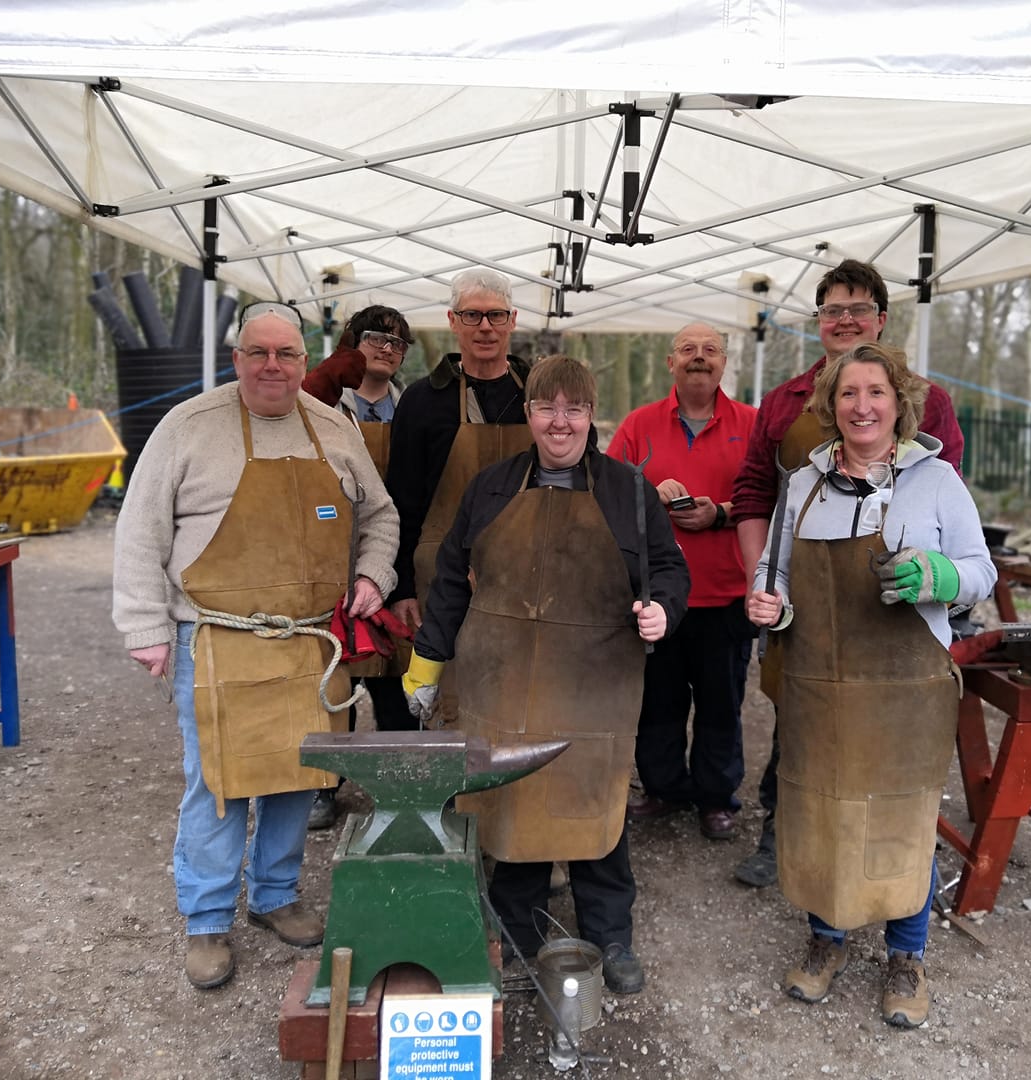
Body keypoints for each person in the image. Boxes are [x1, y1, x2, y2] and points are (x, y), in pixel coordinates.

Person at [112, 301, 399, 990]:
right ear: (236, 358)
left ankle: (275, 895)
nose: (273, 366)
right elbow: (138, 532)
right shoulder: (188, 427)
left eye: (287, 354)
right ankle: (207, 919)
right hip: (217, 640)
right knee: (218, 786)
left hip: (309, 642)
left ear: (308, 362)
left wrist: (372, 575)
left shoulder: (333, 427)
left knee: (299, 779)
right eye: (258, 352)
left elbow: (381, 516)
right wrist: (145, 628)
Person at [401, 355, 690, 995]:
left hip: (596, 688)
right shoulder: (490, 486)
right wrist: (425, 664)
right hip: (502, 682)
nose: (560, 422)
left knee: (597, 811)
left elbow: (670, 570)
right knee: (514, 810)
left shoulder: (629, 491)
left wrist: (661, 612)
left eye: (575, 408)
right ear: (528, 413)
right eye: (546, 407)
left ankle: (610, 935)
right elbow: (450, 582)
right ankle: (518, 935)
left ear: (591, 415)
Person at [746, 341, 995, 1029]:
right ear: (831, 405)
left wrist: (941, 576)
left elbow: (982, 571)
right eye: (849, 393)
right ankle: (826, 941)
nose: (862, 406)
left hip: (907, 689)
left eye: (875, 393)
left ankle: (905, 956)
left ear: (899, 405)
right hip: (821, 686)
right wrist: (770, 604)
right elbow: (776, 572)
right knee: (823, 810)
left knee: (902, 818)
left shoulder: (937, 480)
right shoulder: (804, 484)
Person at [730, 258, 965, 888]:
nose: (845, 320)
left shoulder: (929, 401)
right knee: (801, 721)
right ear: (818, 322)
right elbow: (755, 495)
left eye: (858, 309)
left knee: (893, 746)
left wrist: (939, 574)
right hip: (806, 607)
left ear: (882, 321)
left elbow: (948, 512)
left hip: (898, 618)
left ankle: (904, 870)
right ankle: (783, 836)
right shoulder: (781, 403)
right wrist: (766, 579)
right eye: (833, 309)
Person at [608, 323, 757, 841]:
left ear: (724, 363)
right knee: (659, 702)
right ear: (670, 363)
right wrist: (649, 493)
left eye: (710, 350)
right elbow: (606, 499)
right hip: (657, 599)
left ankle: (717, 797)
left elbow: (770, 501)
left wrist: (718, 513)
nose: (699, 358)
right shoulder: (639, 425)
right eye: (688, 350)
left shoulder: (753, 425)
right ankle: (664, 788)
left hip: (726, 595)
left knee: (722, 705)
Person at [303, 304, 418, 830]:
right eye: (376, 338)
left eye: (398, 343)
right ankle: (324, 786)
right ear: (352, 341)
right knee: (333, 681)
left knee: (393, 677)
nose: (387, 350)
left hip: (392, 556)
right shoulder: (322, 401)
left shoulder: (411, 408)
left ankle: (400, 777)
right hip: (328, 555)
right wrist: (325, 377)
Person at [386, 269, 538, 647]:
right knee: (440, 694)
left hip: (527, 570)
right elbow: (401, 499)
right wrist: (401, 586)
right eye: (472, 315)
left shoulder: (538, 394)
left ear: (513, 320)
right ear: (453, 321)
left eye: (496, 315)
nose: (485, 326)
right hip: (438, 574)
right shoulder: (421, 400)